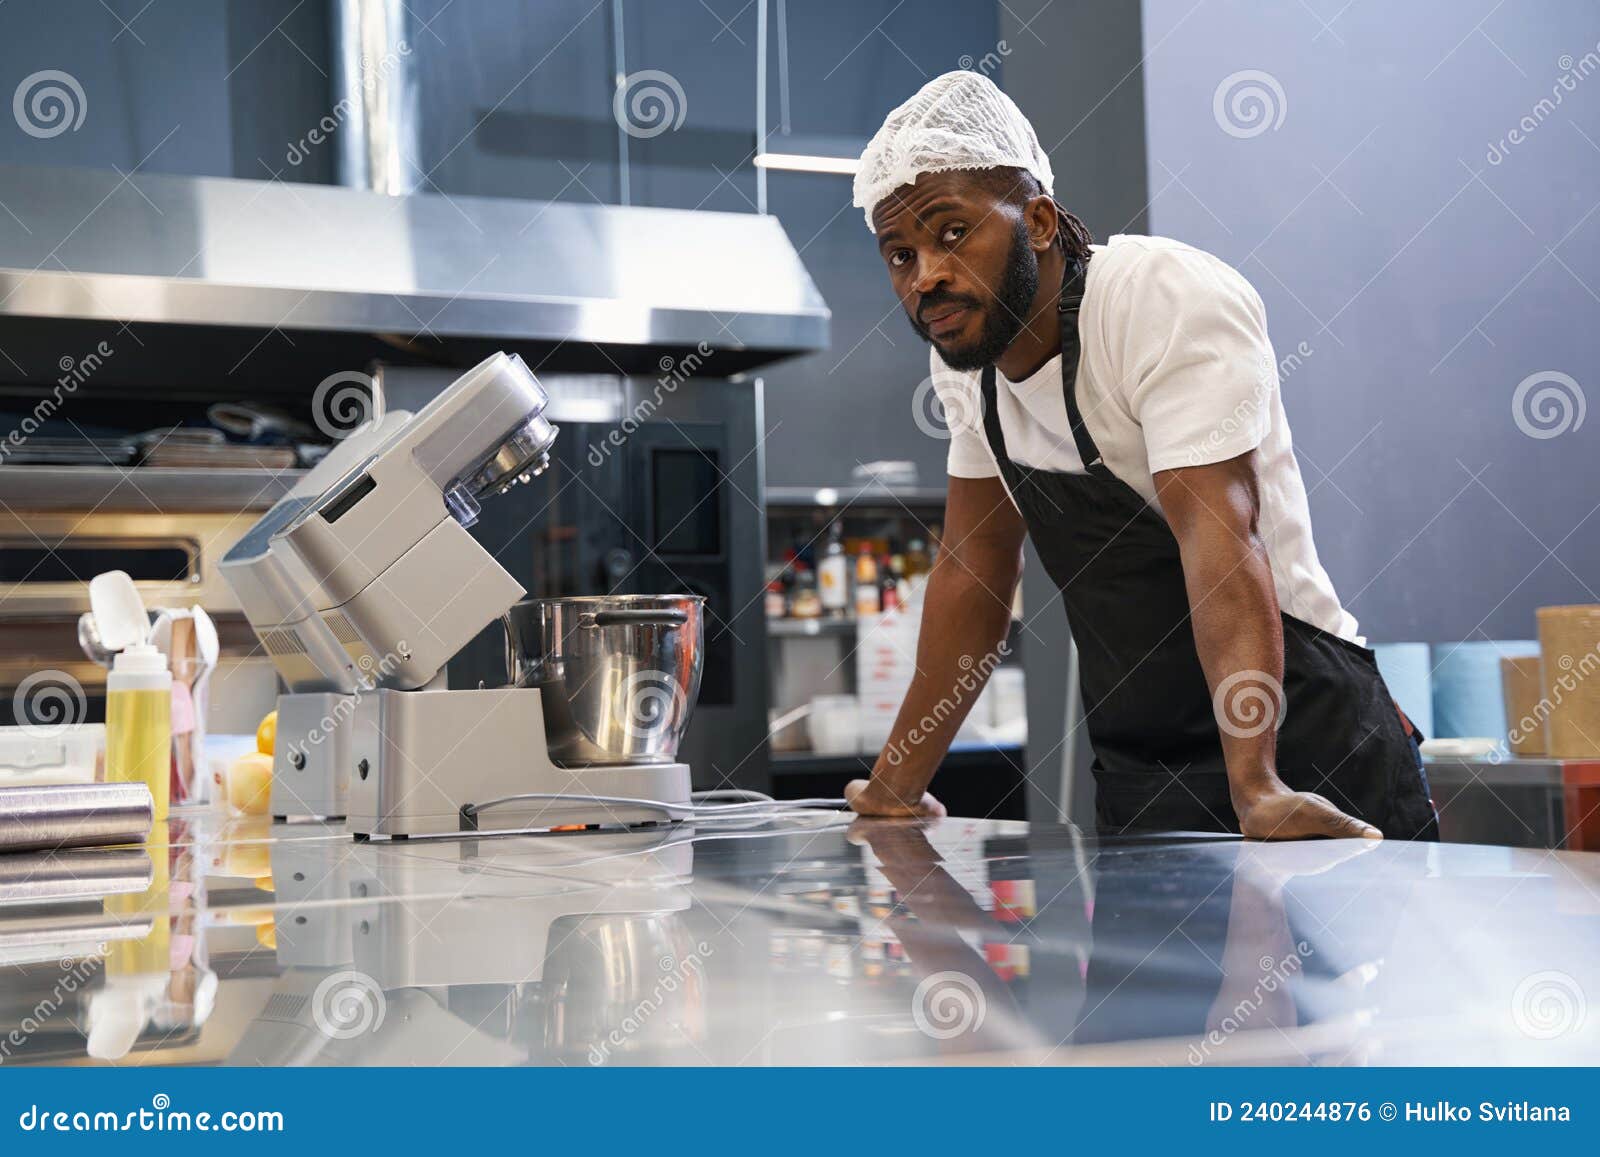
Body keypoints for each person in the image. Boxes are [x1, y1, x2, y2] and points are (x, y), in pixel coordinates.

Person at [842, 72, 1437, 841]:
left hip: (1301, 743)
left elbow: (1219, 541)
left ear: (1041, 221)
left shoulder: (1161, 299)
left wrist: (1255, 787)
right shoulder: (969, 364)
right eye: (900, 253)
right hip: (1143, 769)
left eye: (952, 233)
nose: (927, 276)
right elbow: (973, 571)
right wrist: (897, 781)